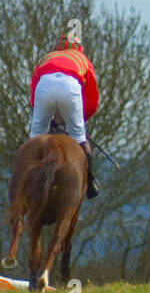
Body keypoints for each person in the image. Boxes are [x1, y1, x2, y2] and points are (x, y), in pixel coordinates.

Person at [29, 33, 100, 198]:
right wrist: (82, 120)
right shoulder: (83, 60)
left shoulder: (45, 59)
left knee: (34, 139)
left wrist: (43, 114)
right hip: (70, 88)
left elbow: (34, 90)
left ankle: (24, 178)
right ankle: (90, 183)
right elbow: (91, 97)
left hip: (44, 88)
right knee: (80, 141)